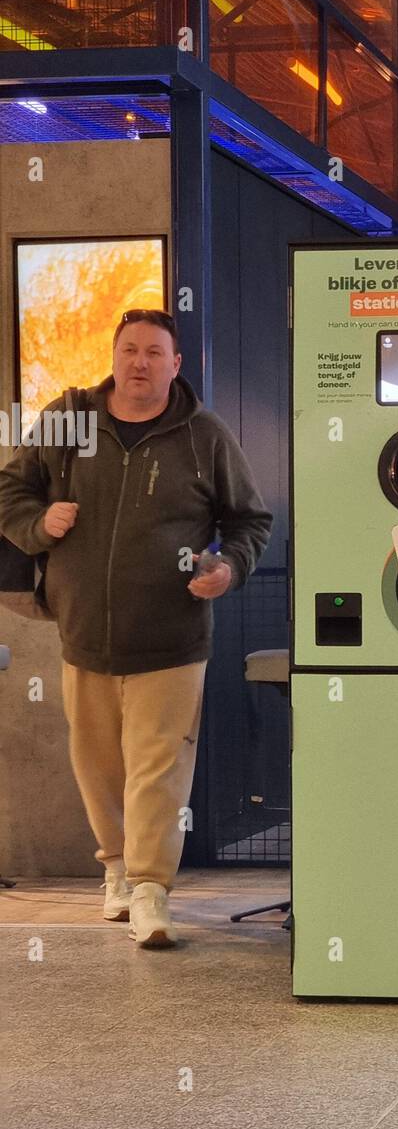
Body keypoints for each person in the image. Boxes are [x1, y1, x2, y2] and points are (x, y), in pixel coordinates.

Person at [0, 310, 273, 948]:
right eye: (130, 350)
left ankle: (151, 888)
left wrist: (227, 569)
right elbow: (10, 493)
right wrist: (42, 527)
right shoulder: (69, 423)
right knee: (97, 764)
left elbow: (249, 521)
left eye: (155, 352)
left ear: (176, 365)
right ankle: (117, 871)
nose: (140, 362)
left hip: (172, 636)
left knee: (158, 765)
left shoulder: (205, 435)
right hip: (84, 632)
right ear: (114, 356)